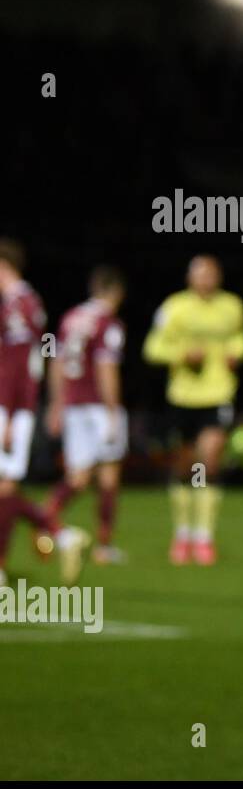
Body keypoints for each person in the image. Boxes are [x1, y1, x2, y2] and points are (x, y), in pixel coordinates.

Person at [143, 255, 243, 565]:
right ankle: (182, 533)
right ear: (190, 278)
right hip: (183, 395)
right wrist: (182, 354)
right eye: (199, 274)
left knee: (210, 458)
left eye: (210, 274)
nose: (205, 280)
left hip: (218, 394)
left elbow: (242, 338)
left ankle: (204, 537)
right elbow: (152, 348)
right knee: (185, 465)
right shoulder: (174, 307)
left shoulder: (232, 307)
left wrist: (236, 353)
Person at [0, 240, 90, 585]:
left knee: (6, 489)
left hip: (12, 408)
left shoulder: (17, 305)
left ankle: (52, 537)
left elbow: (17, 367)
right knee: (5, 489)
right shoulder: (28, 302)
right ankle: (61, 535)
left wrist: (8, 415)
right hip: (16, 406)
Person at [44, 266, 130, 566]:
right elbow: (106, 367)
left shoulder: (70, 318)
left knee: (78, 477)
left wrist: (55, 404)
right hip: (97, 406)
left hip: (72, 405)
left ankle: (47, 518)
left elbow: (56, 361)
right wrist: (112, 410)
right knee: (108, 475)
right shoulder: (109, 323)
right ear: (115, 292)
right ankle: (104, 546)